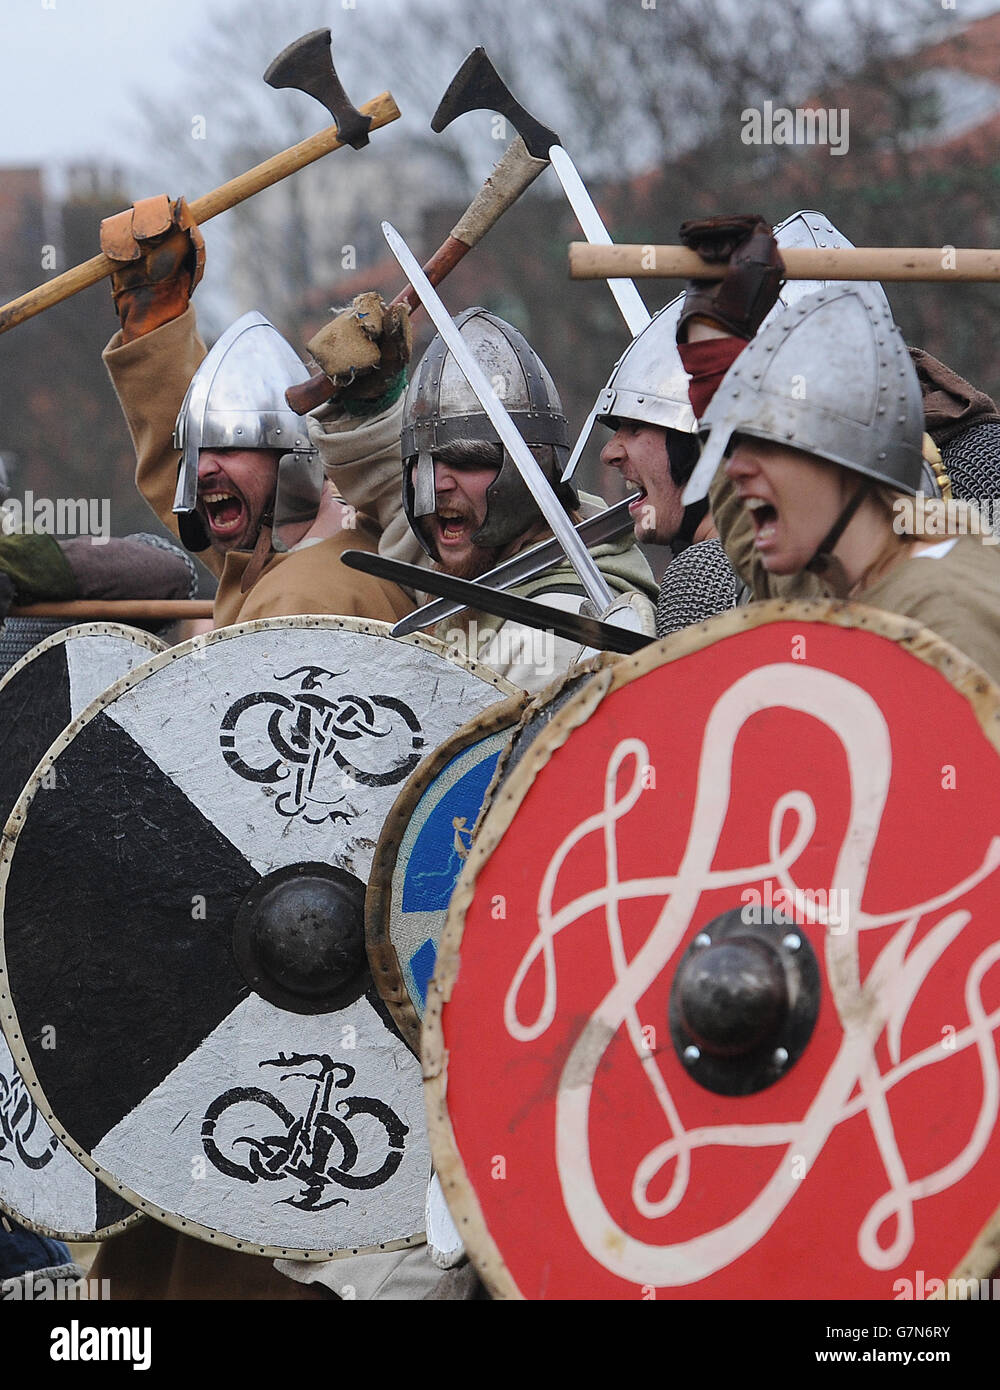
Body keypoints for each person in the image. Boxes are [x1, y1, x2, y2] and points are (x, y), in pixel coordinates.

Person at [674, 215, 1000, 686]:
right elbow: (748, 536)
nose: (736, 468)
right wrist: (714, 344)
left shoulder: (940, 615)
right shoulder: (831, 573)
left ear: (843, 455)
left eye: (770, 445)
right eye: (733, 446)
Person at [306, 300, 658, 692]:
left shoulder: (559, 626)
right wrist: (374, 403)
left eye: (468, 461)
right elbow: (384, 489)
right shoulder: (479, 566)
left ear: (530, 473)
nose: (437, 484)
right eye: (423, 463)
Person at [98, 197, 412, 628]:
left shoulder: (296, 602)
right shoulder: (331, 534)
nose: (202, 469)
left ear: (293, 463)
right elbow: (193, 470)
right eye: (200, 449)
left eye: (231, 444)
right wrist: (155, 333)